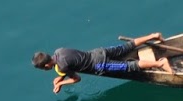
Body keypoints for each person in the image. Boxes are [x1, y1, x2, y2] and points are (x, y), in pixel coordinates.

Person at [32, 32, 171, 93]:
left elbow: (76, 78)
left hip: (100, 64)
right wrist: (61, 77)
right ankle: (153, 36)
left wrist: (61, 83)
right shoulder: (59, 51)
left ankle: (160, 64)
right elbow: (70, 64)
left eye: (43, 69)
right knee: (126, 47)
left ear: (46, 66)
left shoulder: (62, 66)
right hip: (98, 52)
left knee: (129, 66)